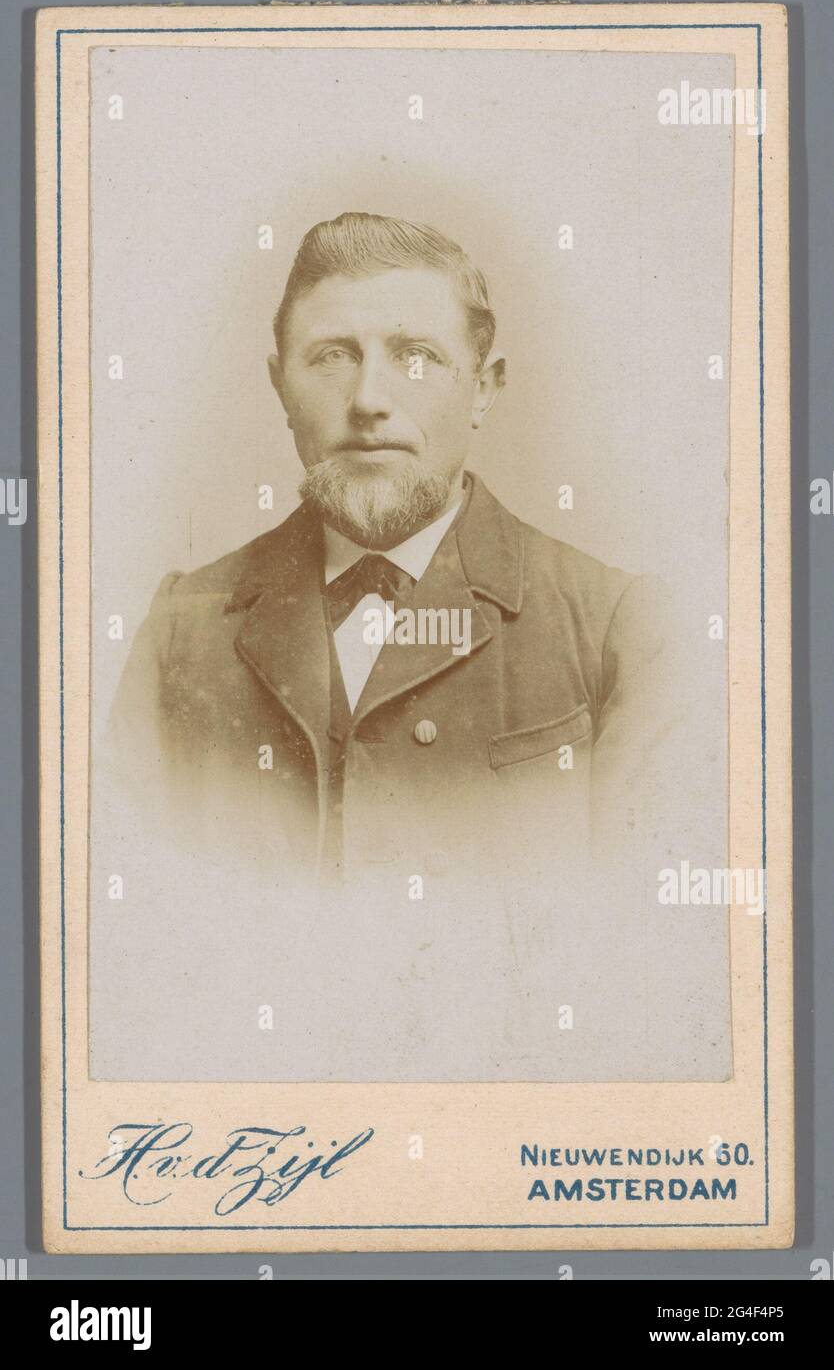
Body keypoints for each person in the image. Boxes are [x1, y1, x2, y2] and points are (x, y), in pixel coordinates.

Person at [98, 213, 728, 1081]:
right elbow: (120, 952)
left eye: (416, 354)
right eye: (332, 356)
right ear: (280, 384)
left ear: (484, 387)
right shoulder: (182, 626)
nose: (369, 401)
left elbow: (651, 966)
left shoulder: (616, 625)